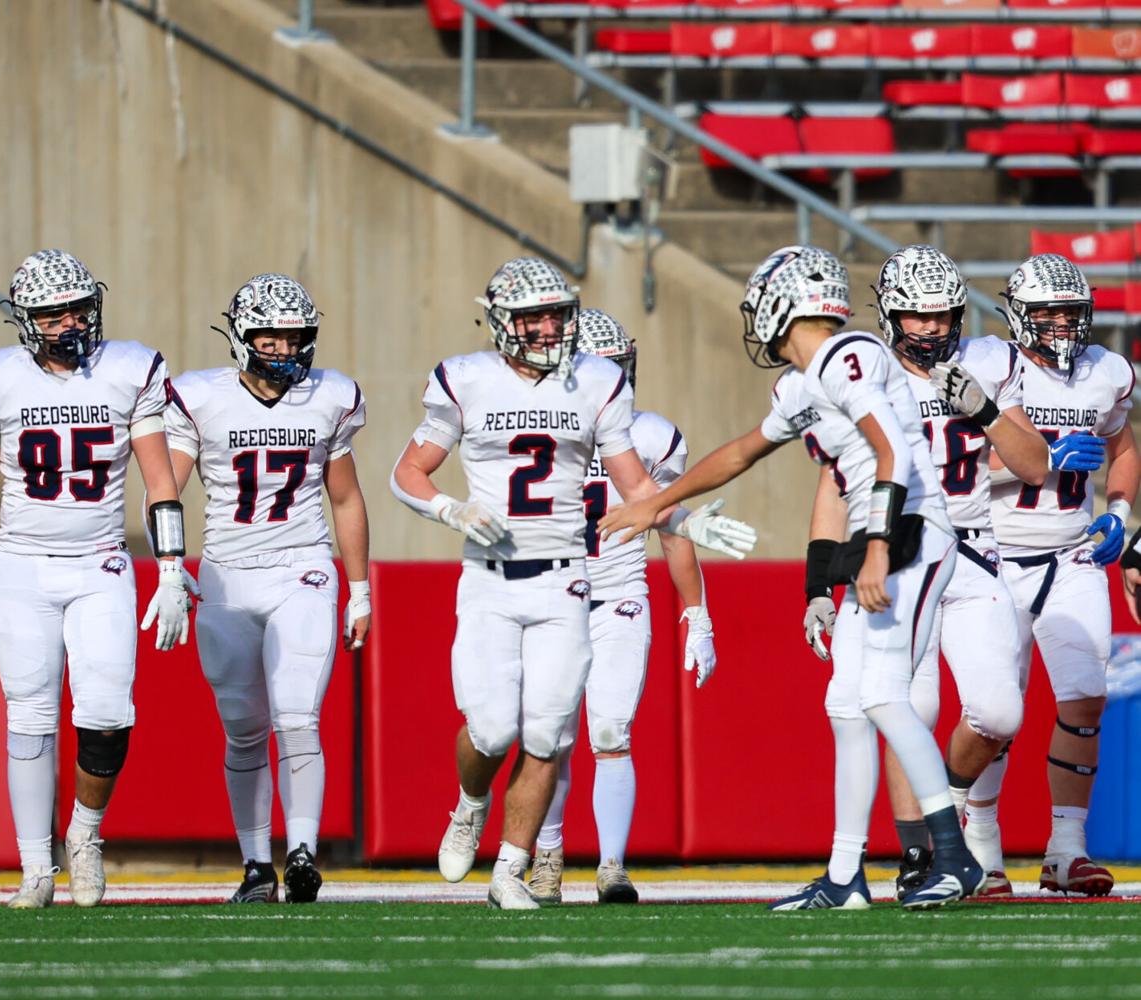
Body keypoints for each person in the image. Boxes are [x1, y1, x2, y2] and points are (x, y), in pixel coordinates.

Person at [600, 245, 986, 910]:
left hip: (911, 537)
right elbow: (743, 451)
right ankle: (843, 876)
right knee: (845, 704)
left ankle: (954, 858)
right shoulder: (805, 381)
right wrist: (652, 504)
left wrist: (874, 550)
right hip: (887, 537)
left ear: (780, 302)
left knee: (885, 696)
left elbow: (890, 448)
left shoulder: (846, 356)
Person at [390, 257, 754, 910]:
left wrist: (689, 522)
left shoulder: (597, 382)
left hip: (567, 581)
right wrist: (448, 509)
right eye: (533, 316)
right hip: (491, 578)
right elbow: (407, 472)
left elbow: (639, 487)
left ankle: (511, 868)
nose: (548, 327)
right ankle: (471, 802)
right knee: (491, 730)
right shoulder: (463, 379)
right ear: (502, 321)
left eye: (557, 313)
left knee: (548, 735)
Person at [0, 249, 192, 909]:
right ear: (27, 320)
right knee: (30, 715)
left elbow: (160, 480)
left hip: (101, 561)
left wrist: (170, 567)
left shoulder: (128, 370)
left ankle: (84, 833)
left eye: (79, 309)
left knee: (107, 713)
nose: (70, 323)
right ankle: (33, 868)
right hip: (22, 564)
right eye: (54, 314)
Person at [164, 274, 371, 904]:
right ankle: (256, 864)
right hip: (226, 574)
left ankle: (303, 851)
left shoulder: (329, 396)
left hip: (301, 567)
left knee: (298, 715)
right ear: (241, 336)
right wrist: (170, 567)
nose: (283, 348)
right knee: (243, 727)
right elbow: (165, 489)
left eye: (294, 334)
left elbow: (344, 496)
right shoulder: (200, 397)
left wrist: (360, 589)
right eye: (270, 334)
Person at [864, 245, 1046, 900]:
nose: (933, 327)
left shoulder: (987, 364)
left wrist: (986, 414)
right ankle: (919, 855)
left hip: (972, 551)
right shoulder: (866, 371)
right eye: (916, 315)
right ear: (889, 315)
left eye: (943, 314)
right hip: (904, 548)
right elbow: (834, 479)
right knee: (912, 704)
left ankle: (952, 801)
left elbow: (1033, 466)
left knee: (998, 712)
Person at [526, 309, 719, 906]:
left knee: (610, 728)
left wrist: (697, 614)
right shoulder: (540, 427)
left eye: (617, 368)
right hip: (551, 595)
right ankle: (549, 855)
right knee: (550, 735)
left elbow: (672, 532)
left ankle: (612, 866)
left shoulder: (654, 436)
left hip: (619, 597)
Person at [965, 253, 1139, 897]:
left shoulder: (1105, 374)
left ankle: (1066, 848)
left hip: (1072, 555)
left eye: (1072, 313)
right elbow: (952, 462)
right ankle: (980, 849)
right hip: (995, 551)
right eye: (1048, 313)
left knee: (1086, 695)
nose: (1064, 326)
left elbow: (1123, 446)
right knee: (994, 715)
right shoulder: (991, 366)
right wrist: (1032, 462)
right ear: (1018, 315)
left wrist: (1118, 508)